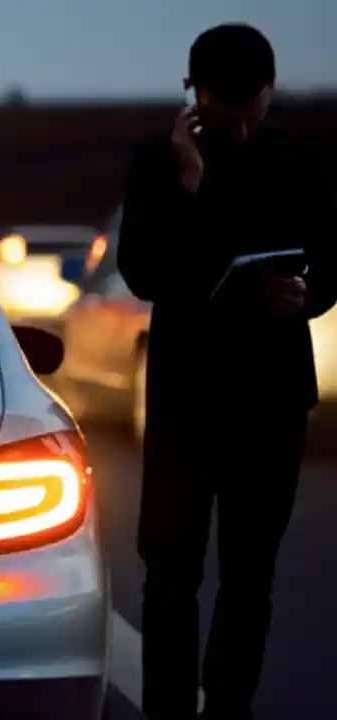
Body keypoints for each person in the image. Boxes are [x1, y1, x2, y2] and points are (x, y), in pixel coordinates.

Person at [117, 23, 337, 720]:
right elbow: (144, 271)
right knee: (169, 575)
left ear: (269, 94)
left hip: (272, 395)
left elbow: (330, 260)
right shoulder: (159, 162)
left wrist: (312, 294)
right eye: (223, 114)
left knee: (251, 576)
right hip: (185, 396)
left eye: (252, 113)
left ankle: (230, 709)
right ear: (194, 94)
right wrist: (192, 183)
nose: (240, 130)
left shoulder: (298, 162)